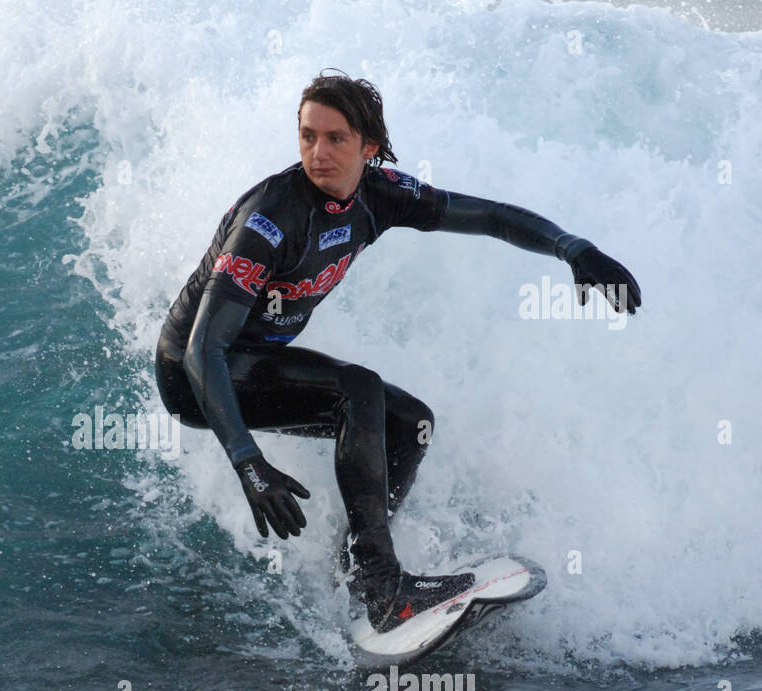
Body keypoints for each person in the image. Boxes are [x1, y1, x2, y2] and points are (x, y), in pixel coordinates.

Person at [155, 69, 641, 633]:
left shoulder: (380, 196)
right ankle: (387, 590)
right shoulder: (269, 220)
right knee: (356, 388)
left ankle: (358, 573)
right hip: (194, 375)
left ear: (370, 148)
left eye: (335, 138)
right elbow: (201, 349)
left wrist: (572, 248)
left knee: (411, 424)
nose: (319, 152)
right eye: (308, 136)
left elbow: (487, 216)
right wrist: (248, 462)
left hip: (251, 361)